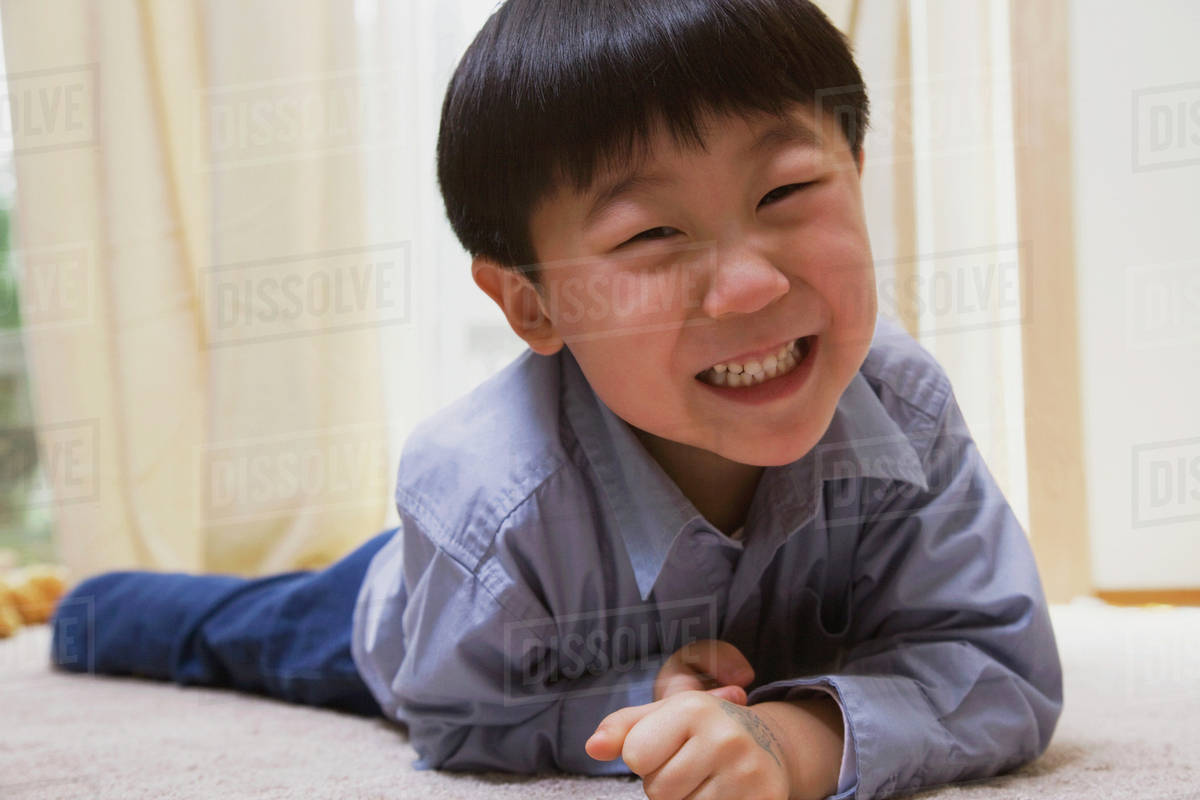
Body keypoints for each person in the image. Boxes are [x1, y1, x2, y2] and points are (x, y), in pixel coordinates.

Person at [49, 1, 1063, 799]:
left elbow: (998, 663)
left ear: (857, 170)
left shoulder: (902, 405)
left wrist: (799, 739)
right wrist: (636, 703)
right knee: (236, 631)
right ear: (533, 304)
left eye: (787, 191)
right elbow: (457, 716)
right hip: (441, 602)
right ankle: (85, 604)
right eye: (651, 235)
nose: (751, 286)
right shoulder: (482, 500)